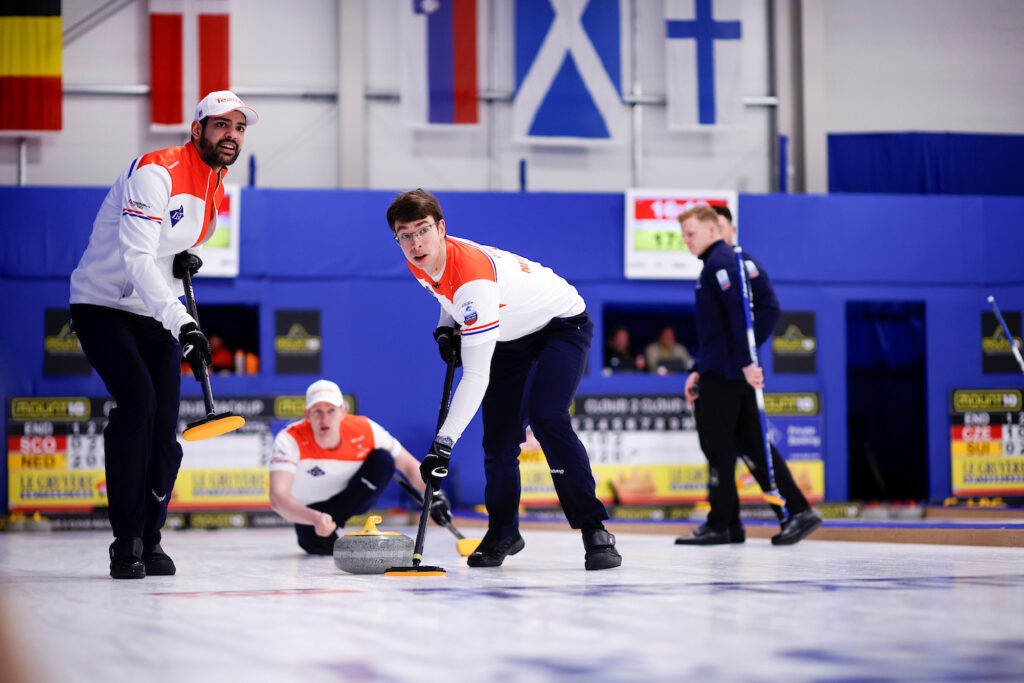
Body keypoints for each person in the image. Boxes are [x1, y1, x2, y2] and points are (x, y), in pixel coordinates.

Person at [69, 91, 258, 579]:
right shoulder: (156, 173)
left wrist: (181, 262)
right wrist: (186, 324)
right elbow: (135, 258)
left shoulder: (215, 183)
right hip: (103, 304)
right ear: (197, 130)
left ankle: (152, 538)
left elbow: (163, 248)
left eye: (239, 128)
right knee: (138, 406)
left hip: (154, 310)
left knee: (166, 433)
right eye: (221, 126)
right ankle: (125, 541)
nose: (231, 136)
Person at [385, 189, 621, 571]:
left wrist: (443, 445)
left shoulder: (472, 282)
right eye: (405, 234)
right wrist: (447, 327)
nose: (415, 242)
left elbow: (476, 374)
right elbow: (447, 297)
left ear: (441, 228)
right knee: (499, 437)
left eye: (423, 230)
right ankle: (504, 531)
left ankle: (594, 529)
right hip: (509, 334)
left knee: (547, 417)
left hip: (559, 326)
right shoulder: (420, 260)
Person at [675, 205, 821, 546]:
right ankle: (791, 512)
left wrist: (745, 361)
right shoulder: (716, 264)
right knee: (752, 446)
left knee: (718, 447)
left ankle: (721, 524)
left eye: (691, 234)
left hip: (725, 375)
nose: (686, 242)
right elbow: (721, 328)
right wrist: (701, 366)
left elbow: (742, 315)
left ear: (715, 230)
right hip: (721, 368)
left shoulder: (722, 262)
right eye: (683, 236)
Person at [268, 380, 452, 555]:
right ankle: (325, 530)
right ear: (307, 414)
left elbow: (410, 465)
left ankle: (336, 521)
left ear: (343, 411)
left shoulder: (366, 429)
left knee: (383, 459)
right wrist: (315, 519)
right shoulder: (289, 439)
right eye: (317, 411)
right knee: (318, 547)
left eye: (331, 410)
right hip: (310, 510)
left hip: (350, 499)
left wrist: (434, 497)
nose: (324, 418)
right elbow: (278, 497)